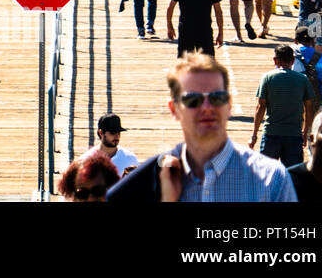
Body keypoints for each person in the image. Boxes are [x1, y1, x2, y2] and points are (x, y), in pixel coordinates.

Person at [107, 53, 297, 202]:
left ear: (229, 105)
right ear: (174, 109)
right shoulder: (149, 180)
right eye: (193, 100)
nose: (206, 108)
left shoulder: (271, 179)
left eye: (216, 98)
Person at [250, 44, 315, 167]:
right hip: (294, 135)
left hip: (271, 134)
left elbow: (260, 107)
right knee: (292, 176)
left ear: (275, 60)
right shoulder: (302, 79)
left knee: (266, 174)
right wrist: (305, 131)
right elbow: (309, 108)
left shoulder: (267, 78)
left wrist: (254, 135)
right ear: (293, 61)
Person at [291, 25, 322, 112]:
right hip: (315, 100)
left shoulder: (288, 53)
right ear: (313, 40)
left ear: (295, 40)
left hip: (292, 99)